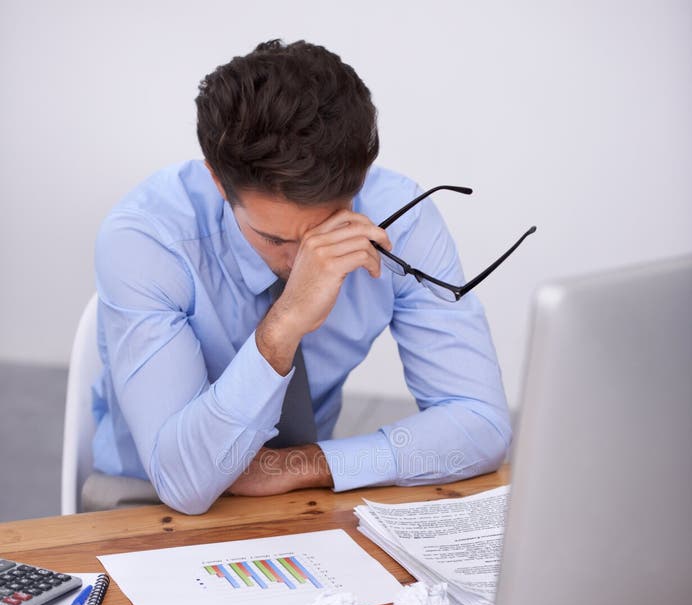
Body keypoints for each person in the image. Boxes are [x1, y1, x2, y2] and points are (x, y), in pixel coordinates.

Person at [89, 39, 515, 515]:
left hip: (300, 495)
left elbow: (483, 424)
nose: (304, 262)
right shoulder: (146, 237)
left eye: (326, 231)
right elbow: (183, 482)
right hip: (145, 499)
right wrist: (284, 324)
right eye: (275, 239)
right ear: (216, 180)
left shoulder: (401, 217)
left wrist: (305, 465)